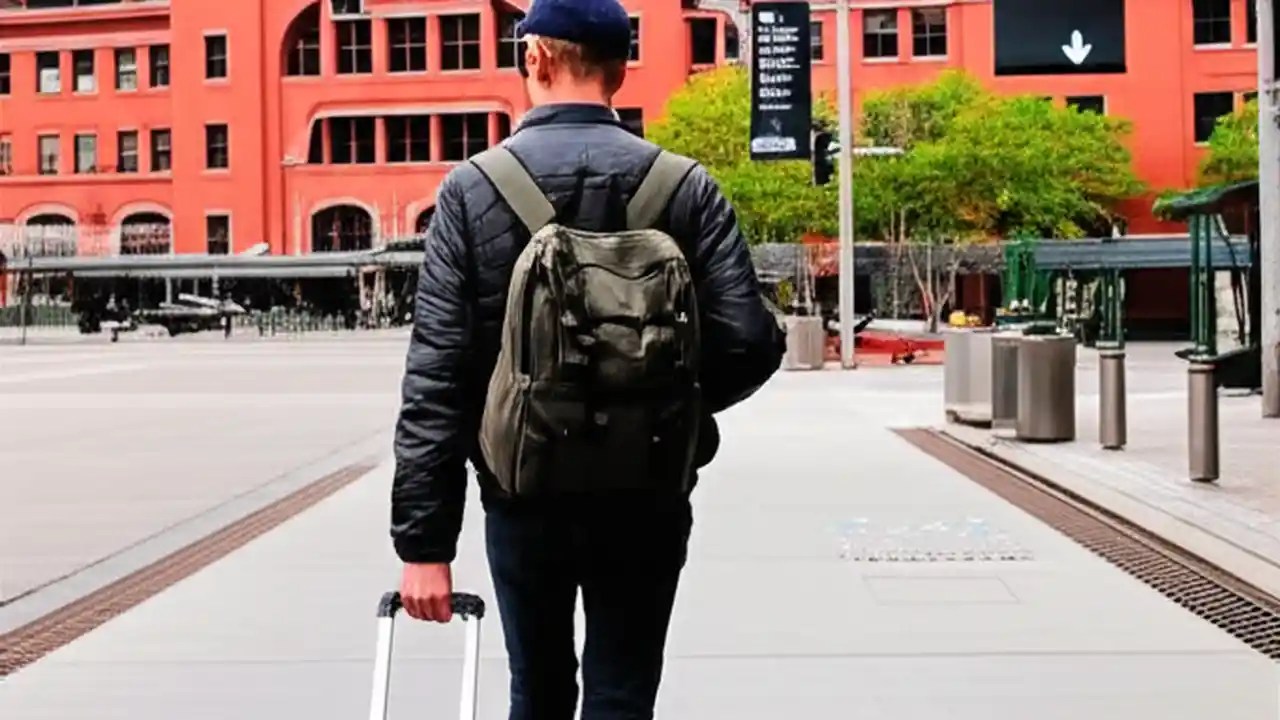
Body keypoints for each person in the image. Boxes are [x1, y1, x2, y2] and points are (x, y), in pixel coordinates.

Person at [390, 0, 785, 716]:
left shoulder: (473, 189)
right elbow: (749, 341)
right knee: (623, 693)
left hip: (523, 494)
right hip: (647, 490)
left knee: (536, 690)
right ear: (621, 70)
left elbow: (437, 376)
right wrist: (670, 402)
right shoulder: (685, 186)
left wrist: (425, 544)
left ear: (535, 58)